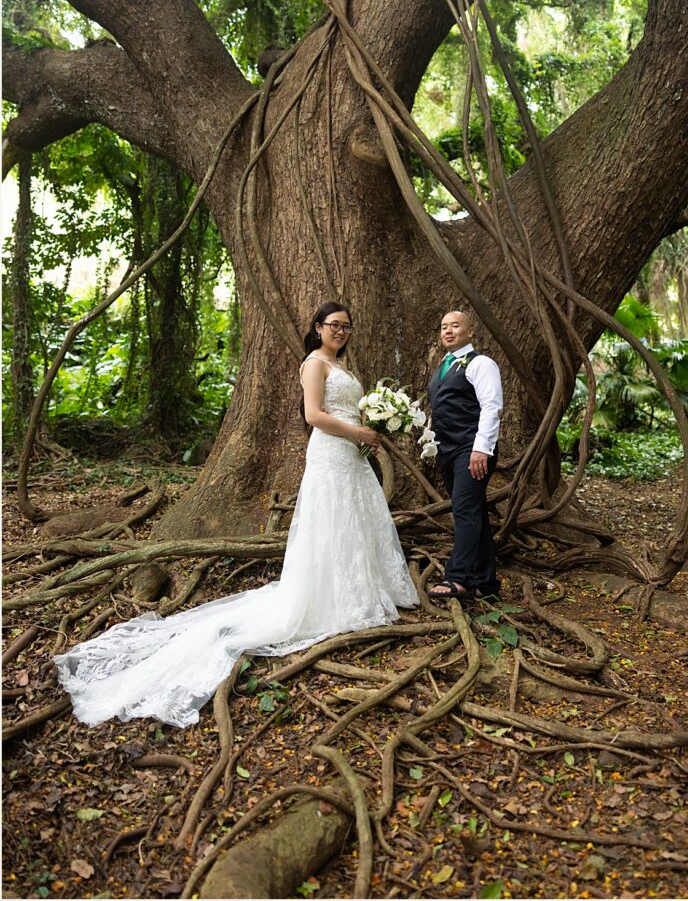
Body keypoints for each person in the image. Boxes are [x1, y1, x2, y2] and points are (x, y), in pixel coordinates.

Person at [54, 302, 418, 727]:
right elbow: (313, 415)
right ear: (318, 328)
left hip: (351, 455)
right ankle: (333, 596)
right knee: (332, 520)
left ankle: (364, 586)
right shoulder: (314, 364)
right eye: (333, 325)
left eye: (346, 326)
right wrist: (358, 431)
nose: (341, 331)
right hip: (331, 452)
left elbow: (349, 410)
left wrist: (376, 424)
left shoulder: (345, 367)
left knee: (354, 518)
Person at [425, 310, 504, 600]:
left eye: (455, 326)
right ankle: (486, 582)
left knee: (464, 511)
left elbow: (491, 405)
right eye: (443, 326)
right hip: (447, 450)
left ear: (470, 332)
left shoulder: (481, 363)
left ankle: (457, 578)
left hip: (471, 450)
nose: (448, 331)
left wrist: (481, 448)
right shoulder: (442, 366)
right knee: (475, 513)